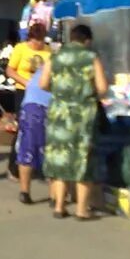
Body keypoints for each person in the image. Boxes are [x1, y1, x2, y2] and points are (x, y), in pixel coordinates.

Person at [39, 24, 108, 220]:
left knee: (60, 157)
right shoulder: (91, 57)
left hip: (58, 113)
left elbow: (43, 84)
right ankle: (81, 210)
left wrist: (61, 92)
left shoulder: (55, 56)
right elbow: (103, 88)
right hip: (83, 115)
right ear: (87, 40)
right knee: (83, 158)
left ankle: (59, 207)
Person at [5, 22, 51, 181]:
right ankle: (14, 167)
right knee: (23, 128)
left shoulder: (48, 51)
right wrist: (25, 81)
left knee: (42, 128)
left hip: (43, 93)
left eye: (41, 40)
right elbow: (10, 70)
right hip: (23, 91)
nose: (38, 44)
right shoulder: (20, 49)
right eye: (35, 41)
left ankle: (38, 166)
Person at [16, 54, 51, 205]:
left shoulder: (39, 72)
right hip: (44, 109)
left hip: (28, 109)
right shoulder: (59, 71)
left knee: (27, 149)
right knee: (52, 152)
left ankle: (24, 191)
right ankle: (55, 196)